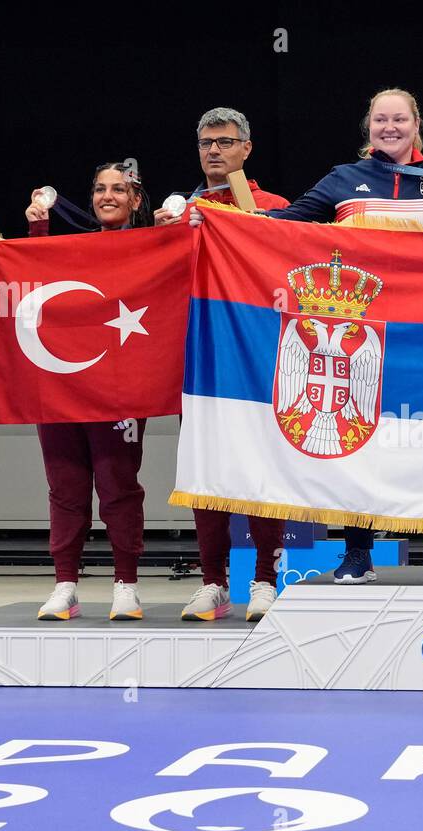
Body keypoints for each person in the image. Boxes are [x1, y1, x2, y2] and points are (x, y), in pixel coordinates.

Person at [267, 87, 423, 585]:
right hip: (364, 341)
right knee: (358, 440)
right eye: (380, 120)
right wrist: (224, 219)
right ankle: (358, 551)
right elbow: (289, 222)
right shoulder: (345, 179)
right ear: (369, 126)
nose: (390, 127)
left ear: (416, 123)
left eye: (399, 119)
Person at [161, 107, 288, 622]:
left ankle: (264, 579)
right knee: (204, 468)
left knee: (261, 467)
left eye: (225, 141)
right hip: (200, 360)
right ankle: (213, 583)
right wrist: (160, 238)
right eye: (206, 142)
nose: (214, 150)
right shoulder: (180, 211)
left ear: (246, 148)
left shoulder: (277, 206)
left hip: (258, 359)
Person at [25, 163, 153, 621]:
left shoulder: (152, 248)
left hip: (121, 391)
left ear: (136, 200)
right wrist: (38, 226)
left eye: (119, 189)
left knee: (118, 488)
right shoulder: (71, 247)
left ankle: (126, 584)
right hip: (63, 388)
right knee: (65, 487)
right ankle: (65, 585)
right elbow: (33, 280)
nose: (107, 196)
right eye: (100, 188)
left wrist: (176, 230)